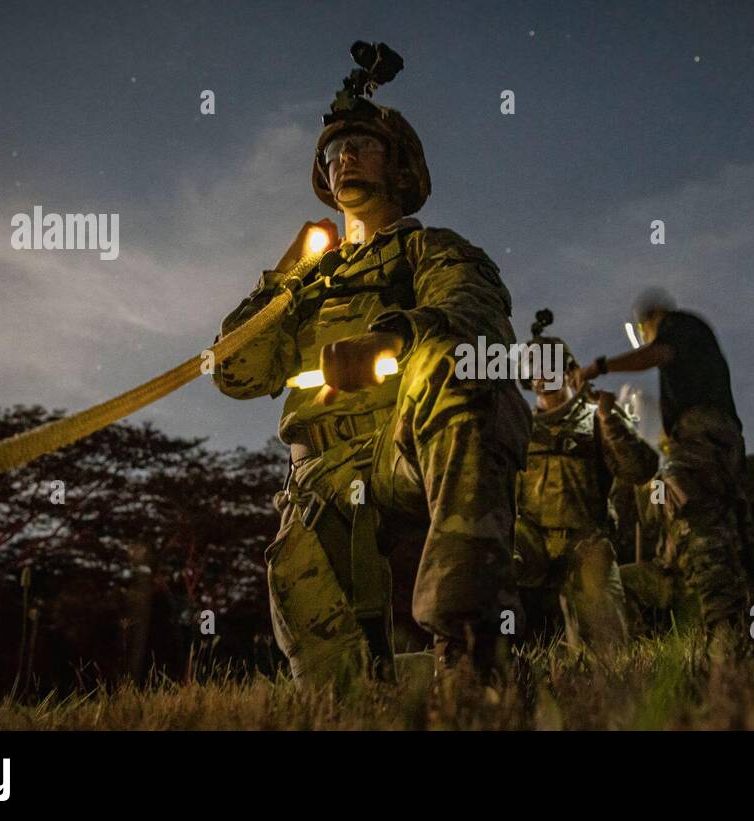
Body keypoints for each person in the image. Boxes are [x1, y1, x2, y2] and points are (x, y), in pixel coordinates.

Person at [212, 42, 530, 686]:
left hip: (399, 447)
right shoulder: (304, 283)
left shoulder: (429, 248)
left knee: (464, 370)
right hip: (317, 478)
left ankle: (470, 655)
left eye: (363, 146)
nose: (345, 158)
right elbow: (235, 373)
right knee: (339, 695)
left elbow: (476, 318)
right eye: (333, 152)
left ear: (400, 165)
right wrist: (285, 277)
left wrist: (390, 344)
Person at [571, 289, 751, 639]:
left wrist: (599, 367)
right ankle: (718, 623)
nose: (644, 338)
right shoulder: (694, 351)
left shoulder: (679, 325)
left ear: (647, 322)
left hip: (704, 434)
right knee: (708, 521)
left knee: (692, 517)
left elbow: (657, 353)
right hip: (710, 439)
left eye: (642, 333)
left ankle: (724, 629)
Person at [513, 310, 659, 656]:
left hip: (586, 540)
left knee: (608, 638)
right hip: (530, 541)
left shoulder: (596, 416)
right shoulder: (519, 426)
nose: (540, 377)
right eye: (533, 369)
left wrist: (610, 419)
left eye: (548, 367)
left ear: (567, 371)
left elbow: (640, 469)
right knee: (493, 590)